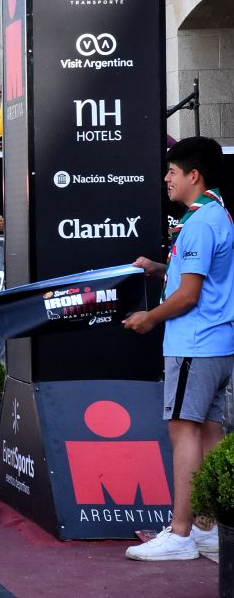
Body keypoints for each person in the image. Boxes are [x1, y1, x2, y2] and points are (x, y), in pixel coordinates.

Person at [123, 136, 234, 562]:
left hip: (195, 343)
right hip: (215, 343)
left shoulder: (202, 222)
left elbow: (189, 295)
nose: (166, 179)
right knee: (207, 431)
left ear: (194, 175)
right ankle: (208, 529)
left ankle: (182, 533)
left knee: (183, 429)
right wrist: (158, 268)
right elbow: (193, 275)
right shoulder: (214, 214)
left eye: (172, 172)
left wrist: (150, 318)